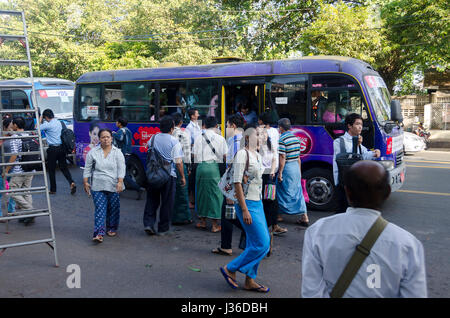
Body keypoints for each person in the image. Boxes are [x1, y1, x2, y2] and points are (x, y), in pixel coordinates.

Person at [301, 160, 427, 298]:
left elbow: (311, 292)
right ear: (387, 193)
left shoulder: (318, 232)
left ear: (347, 191)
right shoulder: (408, 244)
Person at [219, 125, 271, 293]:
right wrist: (244, 209)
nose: (262, 136)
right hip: (247, 204)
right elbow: (237, 182)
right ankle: (230, 268)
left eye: (262, 134)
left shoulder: (257, 154)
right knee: (263, 244)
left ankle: (250, 280)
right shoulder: (242, 154)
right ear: (248, 137)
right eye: (258, 133)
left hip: (258, 202)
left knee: (254, 243)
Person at [143, 116, 186, 236]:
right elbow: (178, 162)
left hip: (152, 174)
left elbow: (148, 149)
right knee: (167, 203)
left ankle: (148, 224)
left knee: (151, 200)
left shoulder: (153, 137)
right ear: (172, 128)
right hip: (168, 175)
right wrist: (182, 177)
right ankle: (163, 228)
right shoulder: (174, 141)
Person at [212, 114, 246, 256]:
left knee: (230, 214)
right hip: (236, 183)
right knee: (230, 214)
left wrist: (231, 190)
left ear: (232, 125)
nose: (225, 128)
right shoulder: (242, 139)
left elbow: (235, 167)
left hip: (234, 184)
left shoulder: (236, 141)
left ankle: (257, 235)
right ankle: (226, 245)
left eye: (226, 125)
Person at [83, 129, 125, 243]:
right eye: (103, 137)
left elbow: (121, 168)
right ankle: (98, 233)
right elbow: (87, 168)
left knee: (113, 208)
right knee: (100, 209)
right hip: (97, 185)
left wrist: (120, 182)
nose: (105, 139)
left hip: (113, 185)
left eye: (108, 137)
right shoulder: (93, 152)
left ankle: (112, 227)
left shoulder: (117, 152)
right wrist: (85, 181)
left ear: (111, 138)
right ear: (99, 139)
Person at [333, 113, 381, 213]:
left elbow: (363, 154)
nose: (360, 127)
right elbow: (345, 157)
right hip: (343, 183)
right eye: (357, 124)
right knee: (342, 211)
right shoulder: (339, 141)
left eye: (361, 125)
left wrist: (374, 153)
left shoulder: (358, 140)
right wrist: (356, 144)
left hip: (355, 181)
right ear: (349, 126)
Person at [193, 116, 227, 233]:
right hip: (213, 167)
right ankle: (214, 225)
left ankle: (202, 221)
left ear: (204, 125)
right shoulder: (220, 138)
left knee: (202, 193)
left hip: (201, 167)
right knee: (215, 194)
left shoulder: (198, 138)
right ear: (216, 126)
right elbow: (225, 156)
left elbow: (194, 156)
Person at [258, 112, 287, 236]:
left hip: (263, 170)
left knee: (264, 198)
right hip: (272, 170)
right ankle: (273, 225)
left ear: (261, 121)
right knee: (271, 197)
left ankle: (265, 225)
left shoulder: (259, 132)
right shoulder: (275, 132)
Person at [277, 118, 309, 226]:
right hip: (295, 166)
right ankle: (304, 217)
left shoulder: (282, 139)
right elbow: (299, 157)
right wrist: (299, 171)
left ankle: (279, 215)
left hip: (287, 168)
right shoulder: (296, 138)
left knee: (282, 191)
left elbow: (282, 157)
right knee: (298, 191)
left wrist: (280, 172)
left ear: (280, 127)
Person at [3, 117, 35, 225]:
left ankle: (30, 210)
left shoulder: (14, 138)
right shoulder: (29, 134)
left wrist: (7, 170)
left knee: (12, 190)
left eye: (13, 123)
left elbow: (14, 155)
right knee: (26, 191)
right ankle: (28, 215)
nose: (11, 125)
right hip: (31, 168)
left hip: (19, 170)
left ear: (16, 125)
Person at [39, 109, 76, 195]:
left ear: (46, 117)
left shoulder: (47, 124)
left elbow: (36, 128)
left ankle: (53, 189)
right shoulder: (59, 122)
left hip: (53, 149)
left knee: (51, 170)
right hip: (62, 148)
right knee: (64, 167)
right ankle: (71, 182)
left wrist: (40, 119)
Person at [112, 117, 145, 200]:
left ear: (120, 123)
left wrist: (113, 134)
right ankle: (118, 190)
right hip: (128, 154)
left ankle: (137, 188)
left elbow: (120, 138)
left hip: (123, 154)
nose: (116, 123)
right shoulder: (128, 130)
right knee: (121, 173)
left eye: (117, 122)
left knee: (123, 174)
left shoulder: (121, 131)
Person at [171, 112, 192, 225]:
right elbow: (187, 153)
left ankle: (173, 216)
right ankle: (184, 217)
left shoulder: (168, 133)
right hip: (180, 164)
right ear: (181, 122)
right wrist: (188, 167)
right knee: (183, 190)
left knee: (172, 191)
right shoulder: (183, 134)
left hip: (169, 165)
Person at [0, 118, 16, 221]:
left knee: (12, 190)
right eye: (10, 126)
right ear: (5, 127)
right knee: (1, 191)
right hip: (2, 169)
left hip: (11, 169)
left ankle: (11, 210)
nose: (12, 129)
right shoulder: (2, 137)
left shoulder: (14, 137)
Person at [186, 108, 201, 208]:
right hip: (193, 154)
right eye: (197, 113)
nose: (198, 114)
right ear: (192, 116)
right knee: (192, 178)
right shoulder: (189, 128)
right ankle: (191, 200)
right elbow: (188, 142)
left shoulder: (198, 125)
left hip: (199, 153)